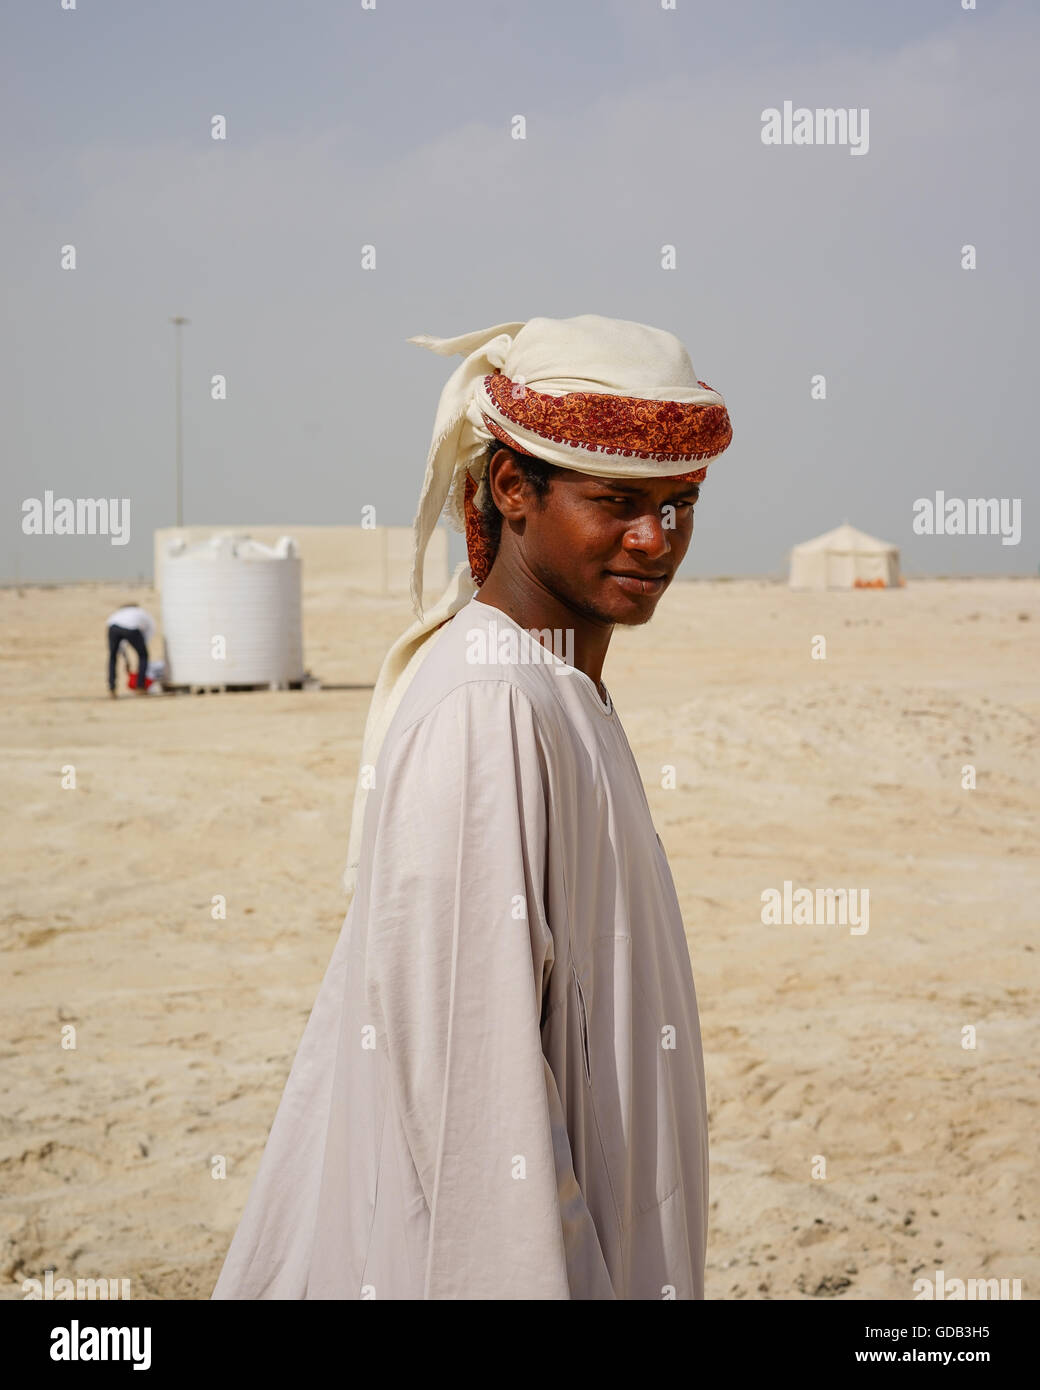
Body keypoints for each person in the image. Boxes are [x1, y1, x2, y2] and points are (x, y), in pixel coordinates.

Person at [210, 314, 733, 1300]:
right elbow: (471, 1106)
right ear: (511, 489)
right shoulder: (489, 704)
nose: (654, 538)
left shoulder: (552, 687)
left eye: (679, 503)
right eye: (615, 500)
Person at [106, 603, 156, 697]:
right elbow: (151, 629)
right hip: (132, 627)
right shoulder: (141, 613)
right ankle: (140, 686)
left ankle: (111, 687)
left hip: (112, 627)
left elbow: (120, 643)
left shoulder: (118, 613)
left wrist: (125, 658)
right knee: (143, 656)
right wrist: (142, 646)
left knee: (112, 657)